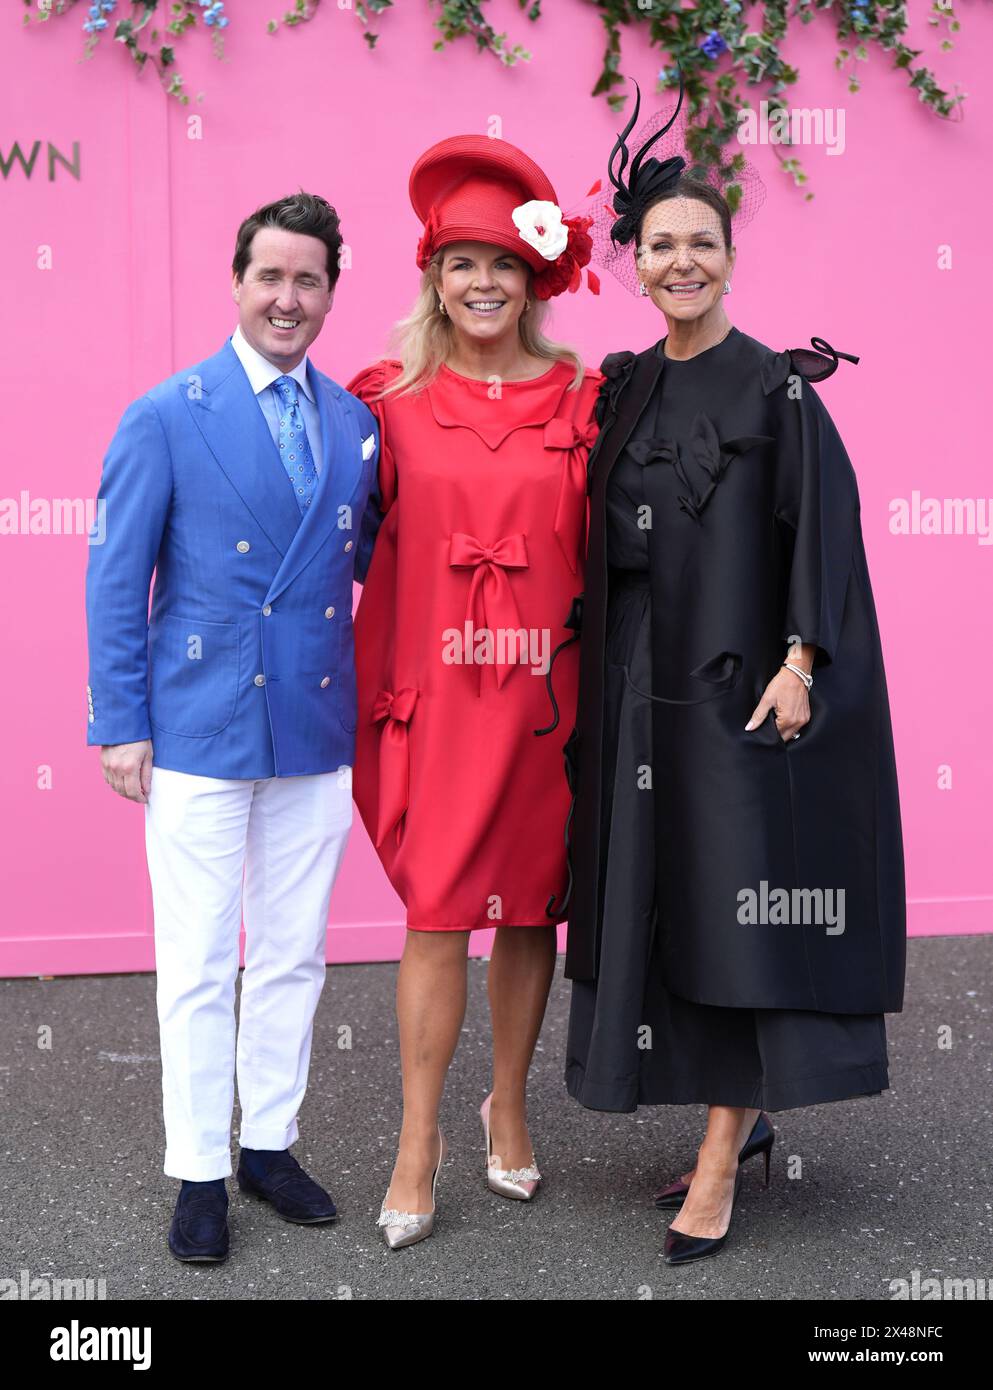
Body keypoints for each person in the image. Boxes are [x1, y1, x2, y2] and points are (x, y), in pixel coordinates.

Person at [562, 80, 907, 1264]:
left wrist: (803, 663)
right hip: (633, 692)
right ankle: (729, 1120)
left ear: (729, 257)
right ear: (635, 262)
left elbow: (827, 538)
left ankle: (720, 1158)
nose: (682, 261)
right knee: (662, 907)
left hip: (738, 690)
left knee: (742, 910)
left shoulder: (780, 388)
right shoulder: (622, 387)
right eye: (662, 245)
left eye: (702, 242)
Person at [85, 192, 382, 1263]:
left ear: (332, 292)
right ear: (237, 282)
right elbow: (116, 577)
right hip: (201, 724)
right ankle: (198, 1170)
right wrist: (120, 721)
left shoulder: (354, 423)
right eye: (271, 276)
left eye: (309, 279)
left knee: (295, 954)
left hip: (312, 725)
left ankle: (270, 1143)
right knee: (202, 960)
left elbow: (361, 569)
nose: (288, 298)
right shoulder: (169, 411)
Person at [346, 135, 602, 1248]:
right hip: (441, 697)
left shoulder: (590, 398)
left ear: (536, 277)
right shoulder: (388, 403)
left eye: (504, 262)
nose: (484, 282)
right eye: (462, 262)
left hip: (550, 694)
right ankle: (418, 1139)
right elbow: (336, 548)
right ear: (433, 277)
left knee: (532, 909)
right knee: (441, 910)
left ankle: (510, 1103)